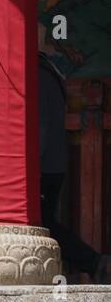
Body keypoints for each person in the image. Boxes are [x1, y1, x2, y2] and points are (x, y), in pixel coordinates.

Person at [38, 41, 109, 282]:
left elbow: (41, 127)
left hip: (43, 164)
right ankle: (93, 262)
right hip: (53, 162)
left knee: (41, 222)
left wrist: (30, 165)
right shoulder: (49, 72)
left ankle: (93, 262)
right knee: (42, 221)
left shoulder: (37, 75)